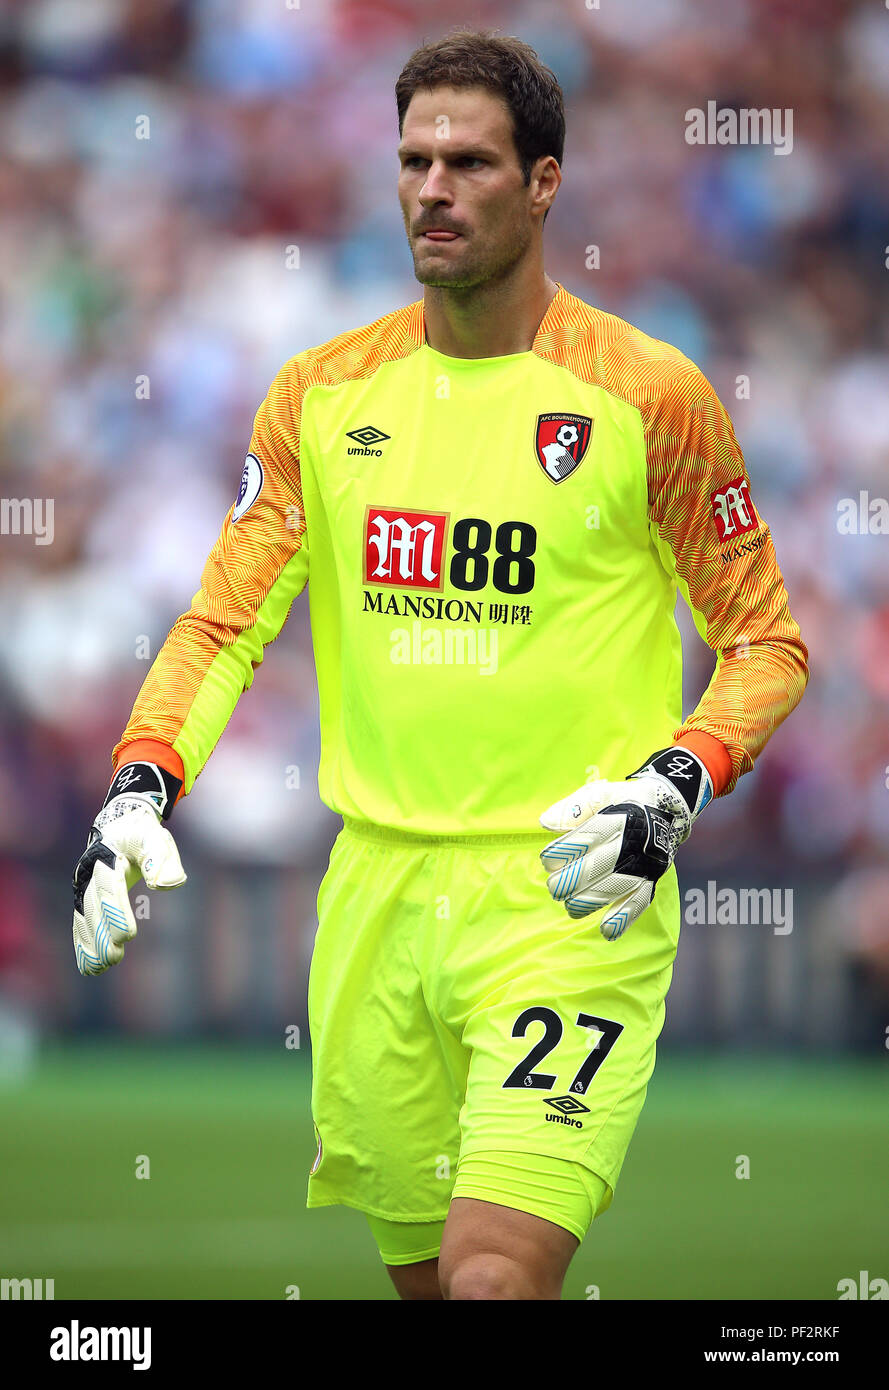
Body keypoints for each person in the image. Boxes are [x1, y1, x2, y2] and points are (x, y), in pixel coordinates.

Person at [72, 29, 808, 1301]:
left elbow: (766, 641)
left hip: (570, 894)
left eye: (468, 161)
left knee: (491, 1284)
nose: (431, 187)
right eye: (412, 158)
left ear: (543, 184)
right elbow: (218, 625)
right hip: (373, 900)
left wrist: (674, 782)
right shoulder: (320, 393)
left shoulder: (651, 395)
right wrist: (141, 783)